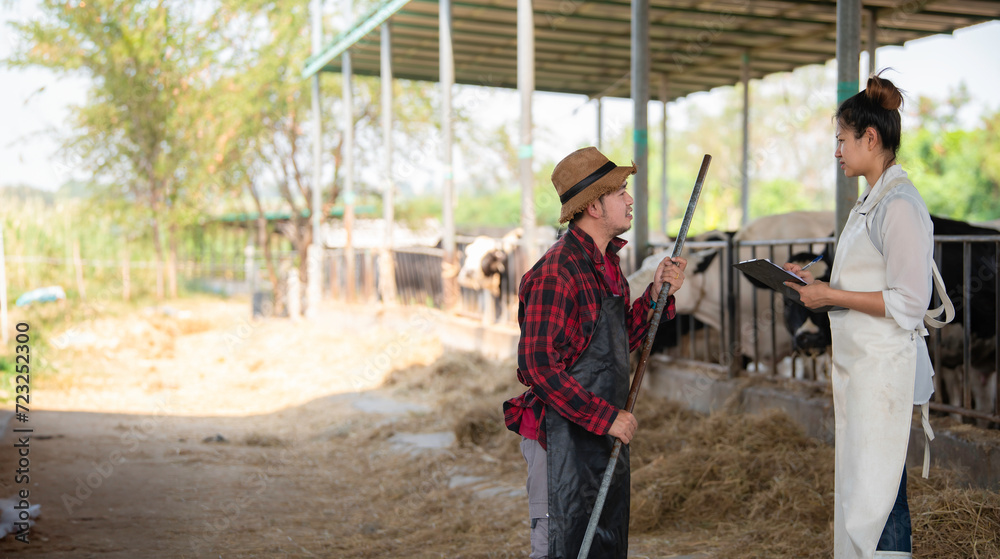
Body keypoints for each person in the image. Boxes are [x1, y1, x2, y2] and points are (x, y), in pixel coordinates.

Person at [783, 73, 941, 559]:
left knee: (879, 492)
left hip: (884, 369)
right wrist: (814, 277)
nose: (837, 151)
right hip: (862, 366)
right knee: (866, 486)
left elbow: (909, 302)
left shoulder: (899, 205)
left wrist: (832, 295)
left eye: (841, 140)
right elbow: (860, 273)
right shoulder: (868, 203)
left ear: (870, 138)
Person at [503, 146, 687, 559]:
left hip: (598, 434)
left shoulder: (606, 264)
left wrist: (656, 295)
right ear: (592, 207)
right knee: (561, 546)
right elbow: (536, 365)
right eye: (619, 190)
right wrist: (605, 417)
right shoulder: (557, 271)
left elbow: (617, 341)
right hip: (561, 436)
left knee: (601, 543)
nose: (629, 197)